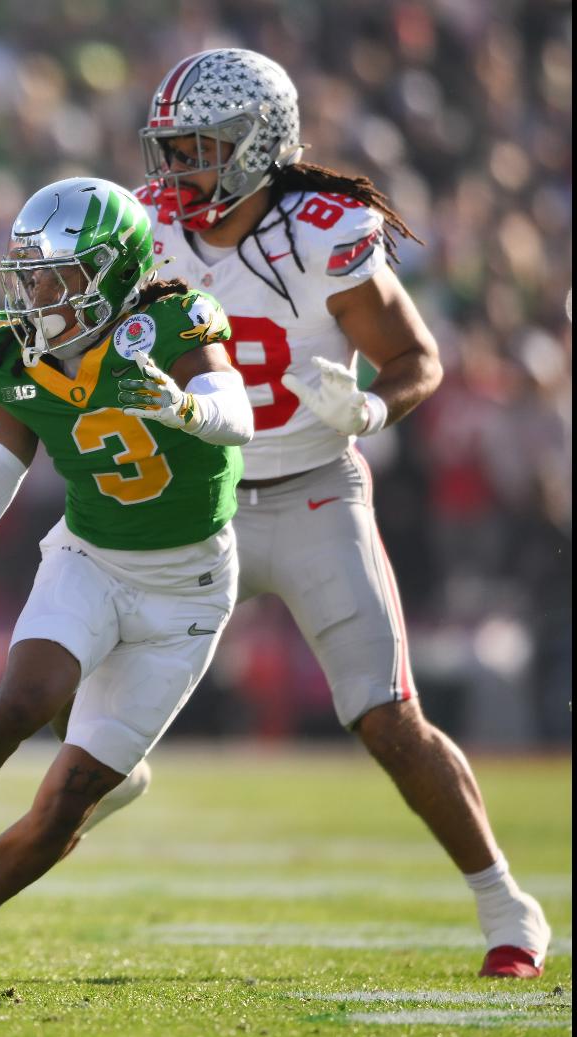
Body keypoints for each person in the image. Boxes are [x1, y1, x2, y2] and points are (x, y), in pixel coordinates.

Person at [135, 48, 548, 978]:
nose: (176, 172)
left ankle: (506, 907)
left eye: (197, 148)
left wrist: (370, 409)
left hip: (317, 490)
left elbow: (417, 359)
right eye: (170, 149)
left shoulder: (324, 231)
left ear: (255, 146)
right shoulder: (149, 223)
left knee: (386, 715)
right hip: (203, 497)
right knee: (98, 703)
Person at [0, 177, 255, 984]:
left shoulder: (171, 324)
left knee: (68, 800)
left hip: (189, 589)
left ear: (112, 277)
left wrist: (183, 409)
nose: (33, 295)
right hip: (91, 555)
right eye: (28, 275)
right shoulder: (10, 353)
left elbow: (238, 414)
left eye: (54, 277)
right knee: (29, 693)